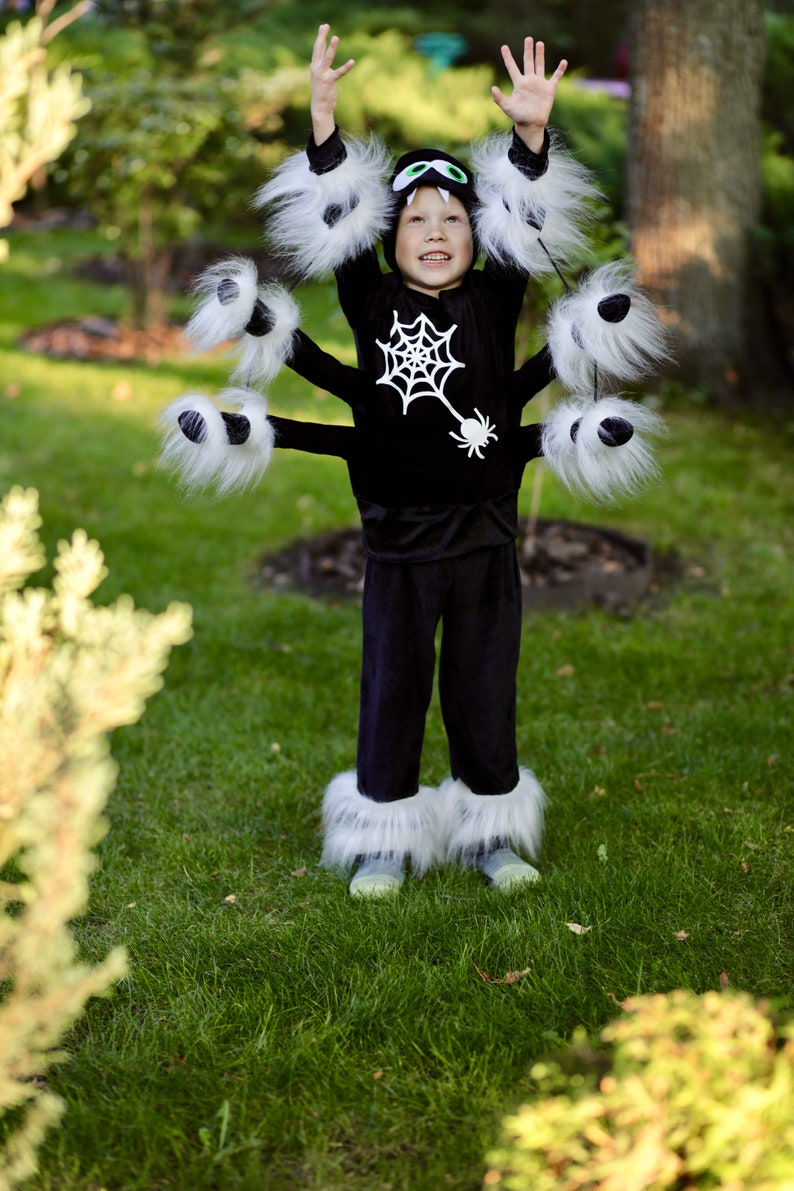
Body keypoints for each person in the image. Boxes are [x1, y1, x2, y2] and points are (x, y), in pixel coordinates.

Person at [160, 24, 667, 898]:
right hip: (397, 541)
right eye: (417, 221)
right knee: (393, 686)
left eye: (454, 220)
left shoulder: (495, 295)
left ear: (479, 238)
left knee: (482, 685)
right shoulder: (370, 296)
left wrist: (532, 140)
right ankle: (383, 835)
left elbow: (522, 216)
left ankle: (490, 826)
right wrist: (323, 124)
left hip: (484, 535)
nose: (436, 231)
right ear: (388, 238)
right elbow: (339, 215)